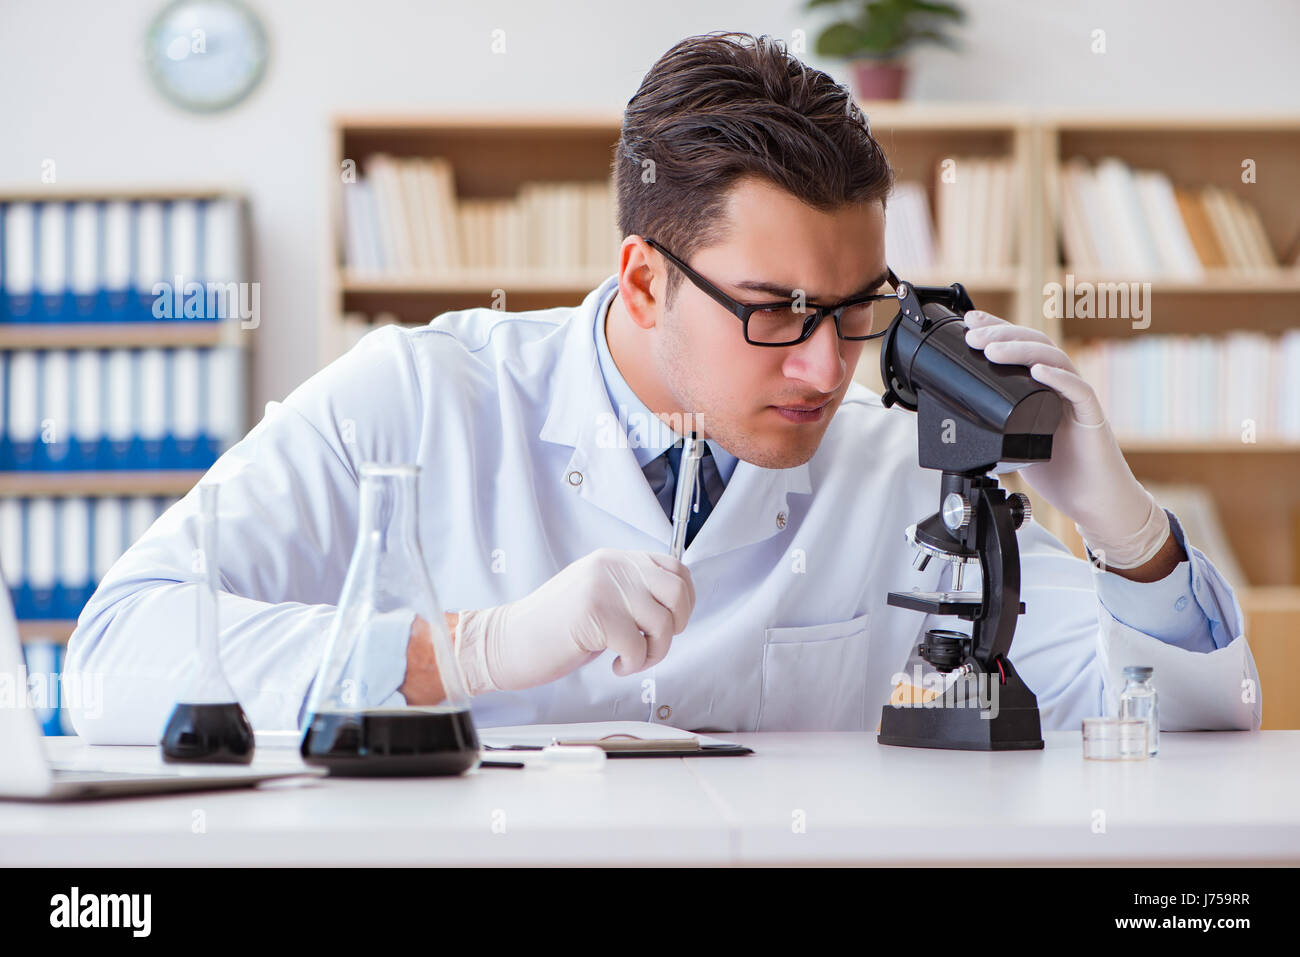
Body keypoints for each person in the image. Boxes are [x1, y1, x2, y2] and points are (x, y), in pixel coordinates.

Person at [65, 32, 1260, 744]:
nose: (823, 365)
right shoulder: (417, 398)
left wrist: (1128, 531)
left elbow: (1191, 730)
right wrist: (470, 653)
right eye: (776, 309)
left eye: (853, 312)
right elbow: (115, 661)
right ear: (642, 279)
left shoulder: (889, 468)